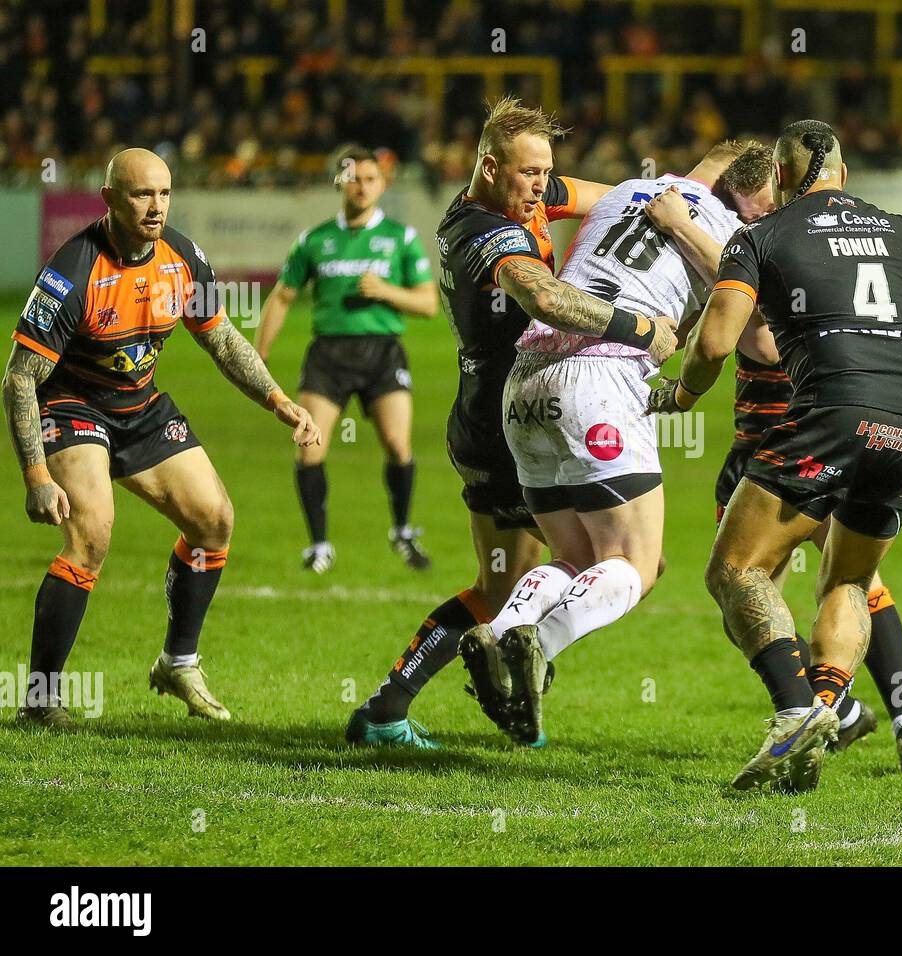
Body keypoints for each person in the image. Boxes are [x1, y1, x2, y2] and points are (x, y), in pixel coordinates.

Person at [648, 120, 902, 792]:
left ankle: (796, 712)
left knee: (736, 569)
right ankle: (825, 705)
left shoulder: (761, 236)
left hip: (835, 416)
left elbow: (716, 342)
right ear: (844, 173)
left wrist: (680, 394)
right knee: (848, 581)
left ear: (781, 178)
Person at [346, 97, 674, 750]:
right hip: (506, 429)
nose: (540, 188)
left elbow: (607, 198)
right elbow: (544, 296)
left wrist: (656, 201)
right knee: (598, 569)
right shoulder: (482, 234)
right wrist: (641, 327)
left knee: (534, 580)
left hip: (511, 417)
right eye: (528, 175)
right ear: (491, 168)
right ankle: (475, 692)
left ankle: (441, 697)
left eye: (545, 174)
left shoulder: (521, 194)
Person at [458, 141, 770, 746]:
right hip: (600, 381)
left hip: (526, 381)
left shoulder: (627, 190)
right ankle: (537, 645)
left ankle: (500, 631)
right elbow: (758, 343)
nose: (764, 219)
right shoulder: (732, 233)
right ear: (743, 190)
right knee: (637, 565)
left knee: (573, 562)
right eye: (763, 206)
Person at [648, 144, 902, 774]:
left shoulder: (770, 242)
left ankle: (843, 712)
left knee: (825, 579)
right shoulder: (774, 237)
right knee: (763, 599)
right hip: (766, 438)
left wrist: (686, 231)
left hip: (808, 433)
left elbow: (759, 334)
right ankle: (845, 711)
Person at [3, 148, 320, 728]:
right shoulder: (71, 273)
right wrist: (37, 476)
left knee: (213, 518)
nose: (155, 207)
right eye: (140, 195)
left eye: (164, 193)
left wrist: (278, 400)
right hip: (75, 406)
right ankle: (40, 701)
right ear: (109, 200)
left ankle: (178, 663)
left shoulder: (182, 256)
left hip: (141, 406)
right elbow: (20, 378)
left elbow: (221, 338)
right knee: (91, 535)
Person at [255, 146, 440, 573]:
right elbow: (282, 297)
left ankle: (402, 530)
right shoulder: (315, 240)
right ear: (340, 182)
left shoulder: (401, 237)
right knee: (310, 449)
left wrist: (386, 292)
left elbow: (428, 304)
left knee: (397, 445)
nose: (362, 186)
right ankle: (319, 545)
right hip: (329, 355)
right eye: (353, 178)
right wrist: (259, 353)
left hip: (382, 352)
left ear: (383, 184)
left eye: (370, 179)